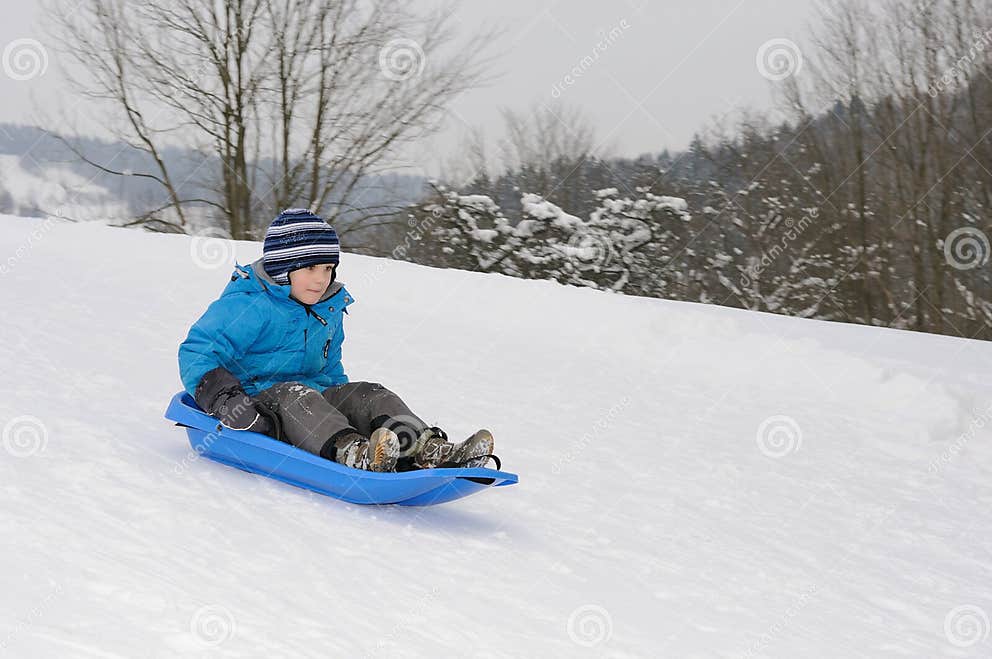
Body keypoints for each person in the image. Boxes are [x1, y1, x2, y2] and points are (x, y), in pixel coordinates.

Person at [177, 208, 495, 472]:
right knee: (297, 395)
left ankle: (428, 449)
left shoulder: (327, 309)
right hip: (258, 408)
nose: (321, 278)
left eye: (328, 267)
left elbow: (329, 371)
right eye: (310, 267)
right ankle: (352, 452)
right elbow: (198, 350)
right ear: (282, 268)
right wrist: (226, 402)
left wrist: (351, 410)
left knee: (370, 394)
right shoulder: (250, 304)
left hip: (310, 402)